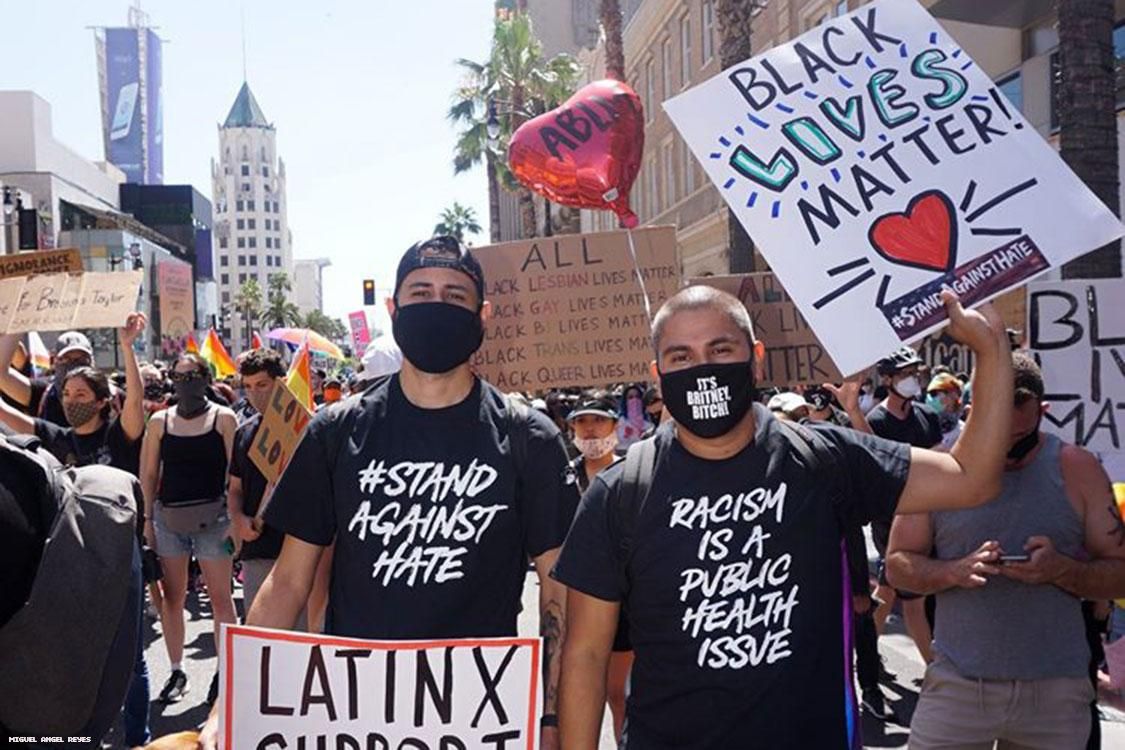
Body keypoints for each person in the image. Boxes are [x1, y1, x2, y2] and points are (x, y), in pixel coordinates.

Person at [554, 285, 1014, 749]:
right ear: (658, 375)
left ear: (755, 358)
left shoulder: (823, 459)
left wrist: (991, 350)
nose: (704, 370)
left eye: (720, 349)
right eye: (681, 358)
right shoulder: (619, 494)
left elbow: (971, 478)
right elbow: (586, 657)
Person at [198, 236, 578, 750]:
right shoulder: (334, 432)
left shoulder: (529, 439)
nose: (436, 306)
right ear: (394, 308)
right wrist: (230, 704)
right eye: (421, 293)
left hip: (481, 715)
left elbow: (557, 597)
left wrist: (550, 720)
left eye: (455, 296)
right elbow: (287, 582)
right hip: (359, 712)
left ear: (483, 315)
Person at [887, 351, 1125, 750]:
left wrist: (1062, 570)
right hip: (958, 688)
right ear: (970, 410)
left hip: (1055, 693)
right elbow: (897, 566)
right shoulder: (937, 469)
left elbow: (1119, 572)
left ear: (1043, 410)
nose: (1006, 447)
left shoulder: (1078, 469)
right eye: (993, 428)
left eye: (1019, 435)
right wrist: (953, 572)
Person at [140, 352, 239, 706]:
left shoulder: (223, 418)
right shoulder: (159, 422)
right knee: (172, 597)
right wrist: (146, 522)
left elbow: (235, 472)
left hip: (215, 522)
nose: (184, 384)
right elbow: (148, 474)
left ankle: (226, 673)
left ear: (206, 377)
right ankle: (177, 669)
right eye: (177, 377)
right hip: (168, 521)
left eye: (192, 376)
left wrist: (235, 520)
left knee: (220, 599)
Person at [867, 346, 943, 665]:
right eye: (904, 375)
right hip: (892, 520)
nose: (913, 380)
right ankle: (936, 671)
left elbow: (940, 461)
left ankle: (866, 650)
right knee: (914, 599)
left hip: (930, 517)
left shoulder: (927, 416)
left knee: (887, 591)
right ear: (887, 379)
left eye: (915, 373)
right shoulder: (877, 420)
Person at [566, 390, 633, 743]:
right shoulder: (561, 480)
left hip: (623, 604)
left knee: (619, 693)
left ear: (614, 426)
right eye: (582, 422)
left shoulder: (634, 474)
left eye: (598, 421)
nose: (590, 430)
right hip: (572, 602)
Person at [0, 316, 146, 473]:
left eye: (80, 394)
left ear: (101, 401)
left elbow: (135, 400)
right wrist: (19, 318)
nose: (71, 401)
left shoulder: (118, 435)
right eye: (67, 394)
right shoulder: (56, 436)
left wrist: (127, 347)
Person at [226, 348, 301, 628]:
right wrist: (239, 519)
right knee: (259, 634)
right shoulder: (242, 433)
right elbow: (234, 489)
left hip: (300, 551)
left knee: (302, 637)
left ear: (280, 384)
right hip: (257, 550)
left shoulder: (310, 430)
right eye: (247, 387)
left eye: (262, 385)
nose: (254, 394)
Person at [0, 330, 95, 427]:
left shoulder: (107, 392)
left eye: (81, 359)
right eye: (66, 359)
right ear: (54, 361)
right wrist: (15, 325)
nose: (74, 365)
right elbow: (2, 375)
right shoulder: (44, 392)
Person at [925, 372, 965, 450]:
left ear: (953, 395)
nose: (932, 398)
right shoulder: (924, 427)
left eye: (937, 393)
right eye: (931, 394)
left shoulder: (963, 432)